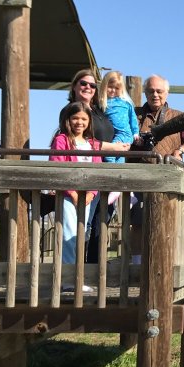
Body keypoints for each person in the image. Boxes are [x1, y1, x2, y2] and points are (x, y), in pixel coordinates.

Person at [50, 102, 102, 284]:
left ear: (89, 122)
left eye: (84, 119)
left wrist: (92, 194)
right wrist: (71, 192)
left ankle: (78, 279)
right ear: (68, 120)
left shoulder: (93, 144)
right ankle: (67, 281)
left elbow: (97, 170)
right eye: (75, 118)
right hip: (68, 196)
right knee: (68, 236)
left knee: (81, 236)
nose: (79, 122)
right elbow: (58, 167)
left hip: (86, 197)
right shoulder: (62, 140)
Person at [134, 74, 184, 160]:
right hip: (136, 170)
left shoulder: (179, 117)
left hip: (168, 170)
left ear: (166, 93)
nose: (155, 95)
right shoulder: (132, 114)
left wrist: (179, 150)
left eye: (159, 91)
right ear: (145, 93)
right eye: (151, 91)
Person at [66, 68, 130, 155]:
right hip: (87, 163)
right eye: (83, 83)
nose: (88, 87)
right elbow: (76, 141)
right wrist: (113, 147)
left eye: (92, 85)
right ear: (74, 86)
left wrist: (125, 143)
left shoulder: (100, 109)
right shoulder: (69, 111)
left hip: (109, 163)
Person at [98, 70, 139, 163]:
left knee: (109, 156)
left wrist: (135, 133)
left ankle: (110, 173)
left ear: (121, 89)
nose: (113, 90)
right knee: (120, 157)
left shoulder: (126, 103)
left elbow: (133, 119)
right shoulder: (103, 103)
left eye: (116, 88)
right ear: (104, 86)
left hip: (124, 134)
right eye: (110, 87)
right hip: (113, 135)